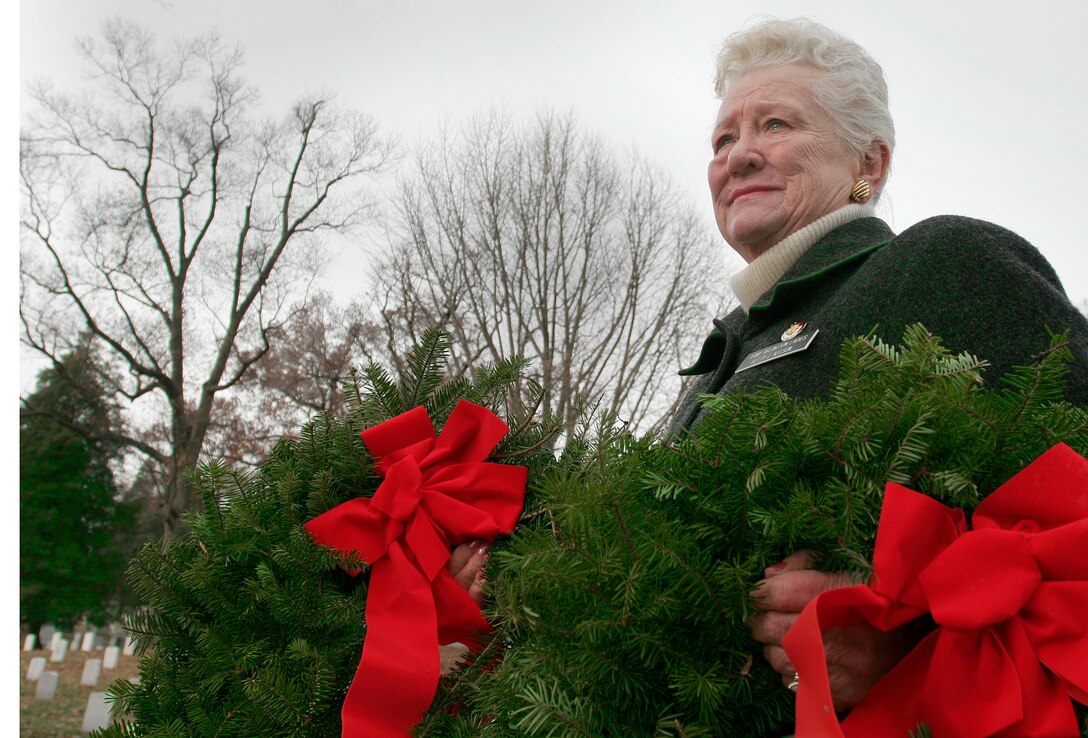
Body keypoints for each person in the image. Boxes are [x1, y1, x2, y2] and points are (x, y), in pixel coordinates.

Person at [665, 14, 1088, 728]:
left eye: (775, 125)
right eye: (723, 138)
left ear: (869, 166)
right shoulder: (717, 359)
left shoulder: (944, 266)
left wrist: (909, 642)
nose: (738, 156)